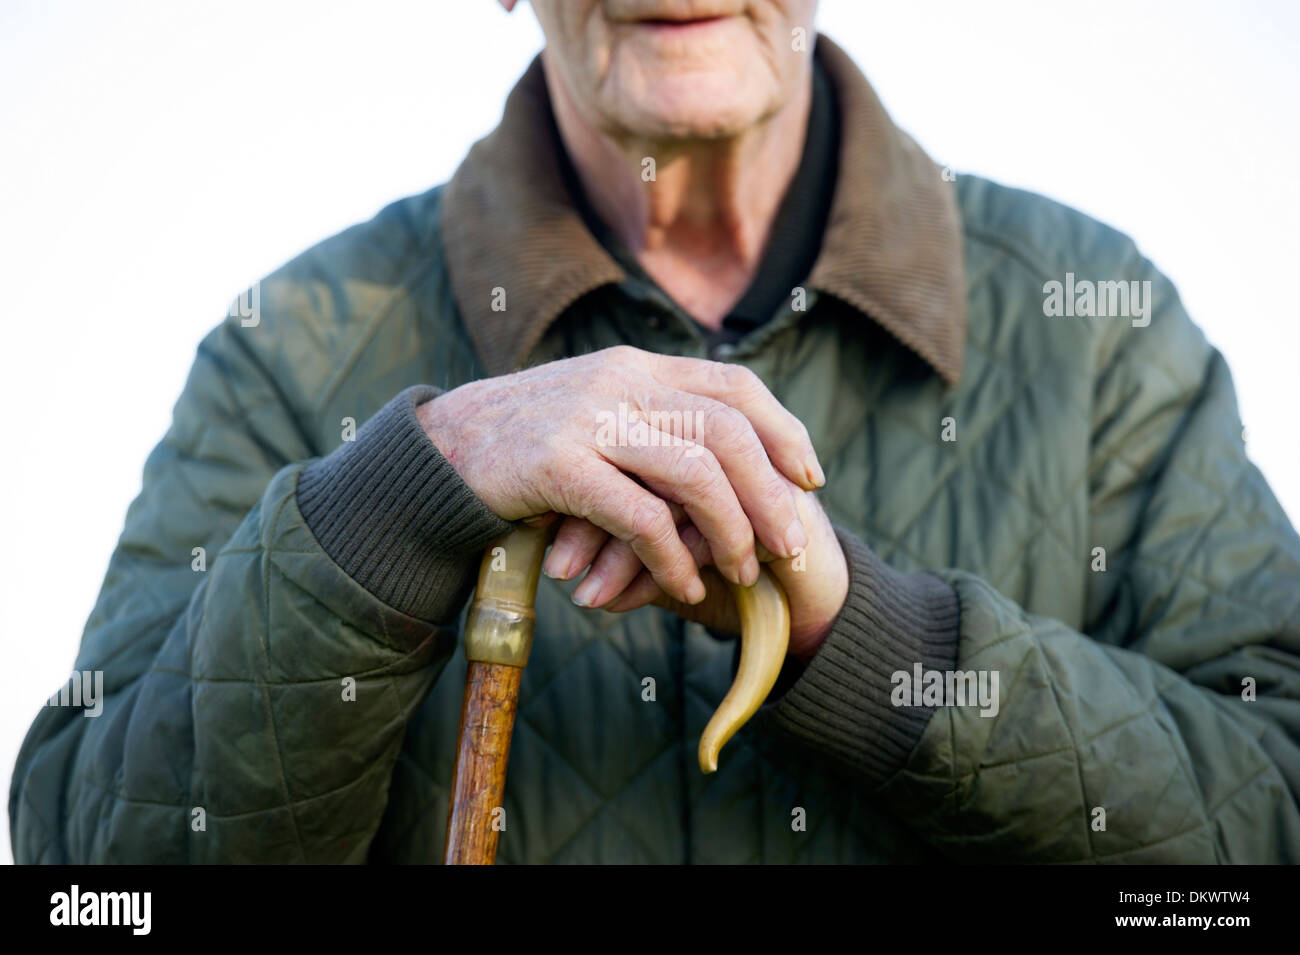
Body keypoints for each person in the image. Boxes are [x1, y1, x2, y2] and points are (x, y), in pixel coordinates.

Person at [12, 0, 1300, 863]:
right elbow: (86, 870)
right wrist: (402, 503)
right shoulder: (294, 344)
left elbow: (1270, 813)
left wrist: (864, 644)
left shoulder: (1092, 325)